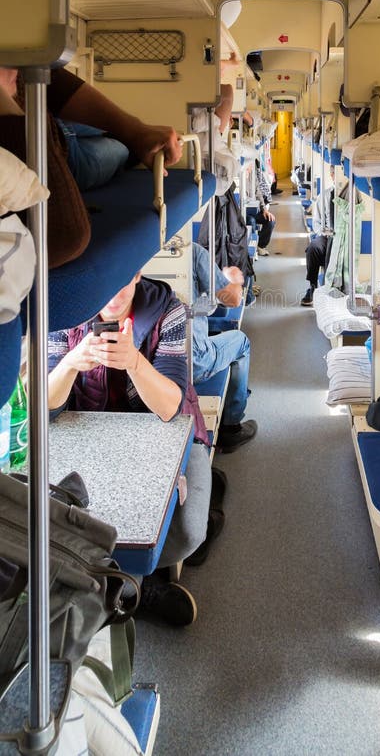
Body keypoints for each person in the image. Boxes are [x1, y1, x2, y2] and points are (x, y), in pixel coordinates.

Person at [47, 271, 218, 628]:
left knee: (189, 532)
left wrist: (134, 362)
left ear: (138, 273)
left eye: (122, 280)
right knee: (64, 518)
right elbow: (46, 405)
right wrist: (70, 363)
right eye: (102, 281)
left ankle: (131, 580)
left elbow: (171, 406)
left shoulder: (168, 310)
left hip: (168, 433)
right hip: (95, 439)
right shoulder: (63, 312)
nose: (111, 294)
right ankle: (131, 589)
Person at [0, 66, 182, 268]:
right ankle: (126, 145)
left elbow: (44, 70)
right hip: (64, 157)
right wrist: (5, 97)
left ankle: (125, 138)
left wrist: (136, 130)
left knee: (125, 136)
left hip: (55, 121)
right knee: (120, 151)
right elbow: (65, 236)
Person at [191, 241, 258, 452]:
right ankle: (231, 426)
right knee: (240, 341)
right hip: (193, 361)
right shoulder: (191, 252)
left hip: (146, 364)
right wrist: (234, 280)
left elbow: (189, 306)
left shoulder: (129, 254)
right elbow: (233, 299)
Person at [300, 167, 335, 306]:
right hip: (327, 235)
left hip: (344, 237)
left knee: (336, 251)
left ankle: (334, 288)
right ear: (331, 175)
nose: (334, 175)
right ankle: (313, 286)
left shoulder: (351, 196)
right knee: (313, 248)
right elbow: (316, 221)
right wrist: (324, 232)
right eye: (332, 173)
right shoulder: (325, 195)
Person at [248, 158, 276, 256]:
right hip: (242, 213)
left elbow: (258, 193)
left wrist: (264, 210)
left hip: (254, 209)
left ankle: (260, 245)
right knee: (251, 221)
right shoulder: (237, 179)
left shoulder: (253, 177)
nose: (250, 168)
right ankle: (249, 247)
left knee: (270, 220)